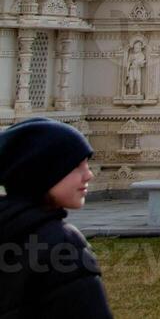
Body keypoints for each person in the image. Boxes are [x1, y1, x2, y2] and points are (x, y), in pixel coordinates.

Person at [0, 118, 113, 317]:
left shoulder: (8, 227)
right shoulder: (62, 242)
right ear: (42, 172)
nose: (88, 175)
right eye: (76, 166)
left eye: (87, 164)